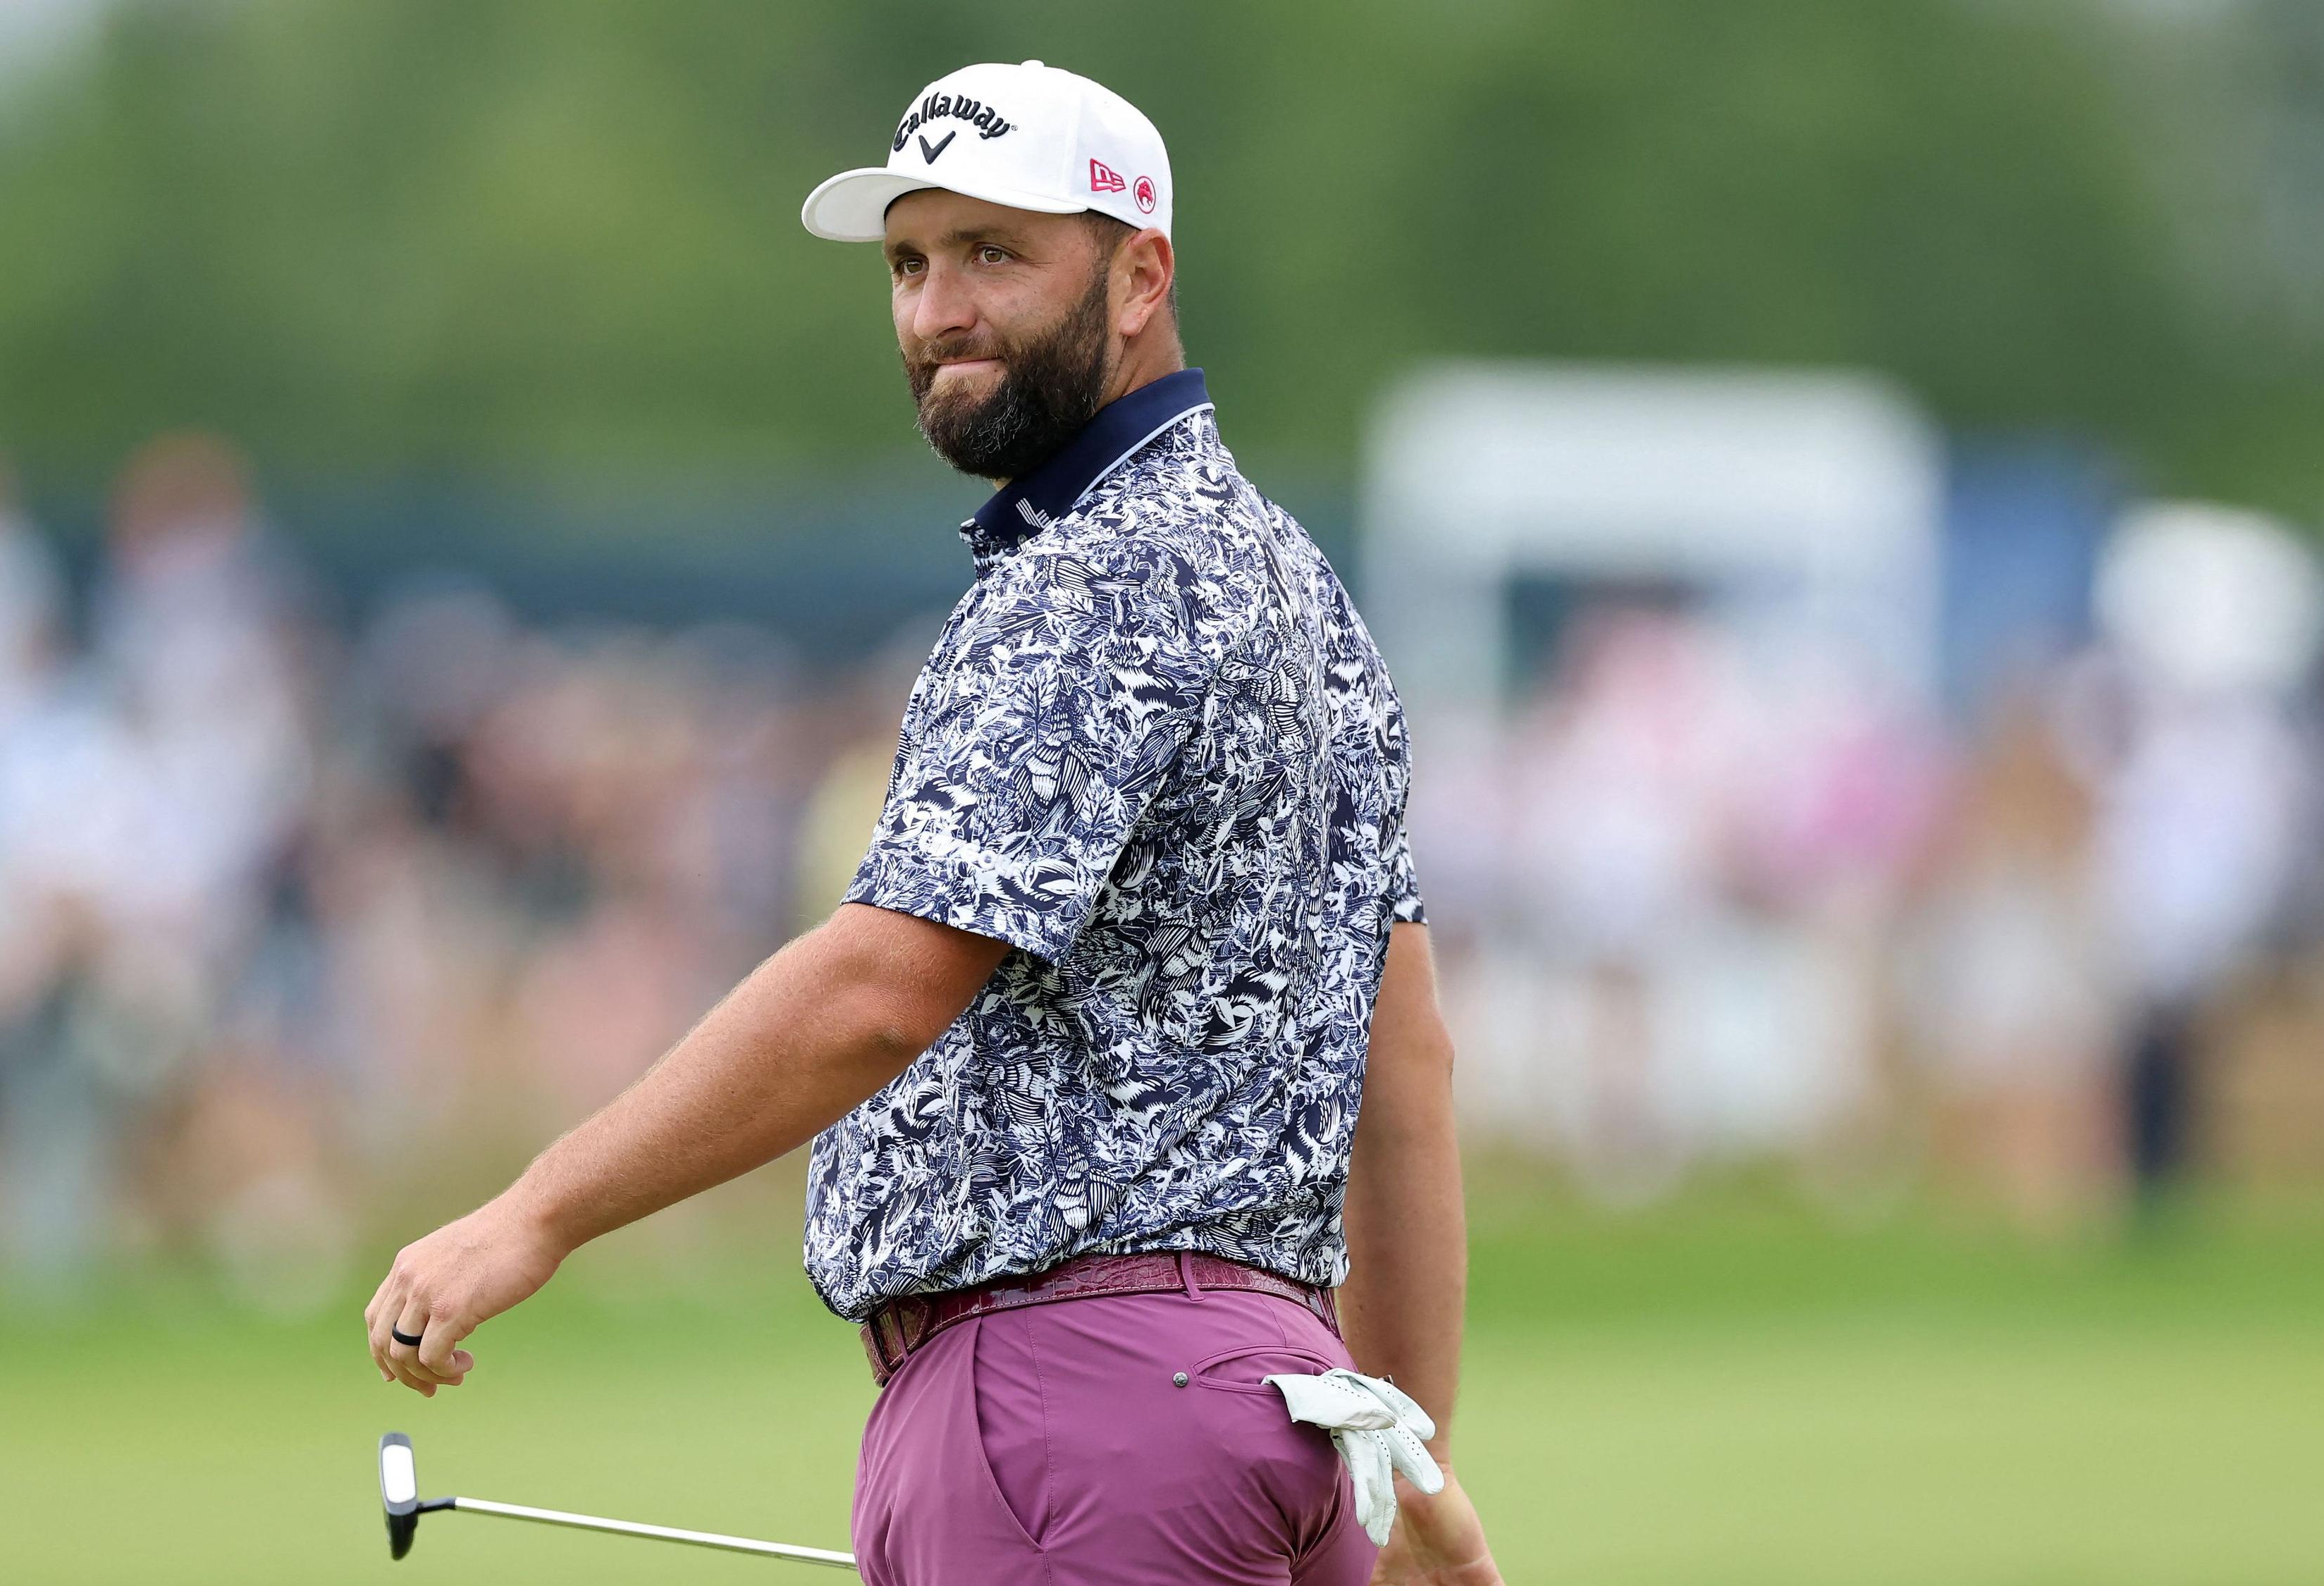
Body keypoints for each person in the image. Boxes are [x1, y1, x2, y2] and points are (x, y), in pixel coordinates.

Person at [362, 61, 1499, 1585]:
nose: (936, 309)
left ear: (1139, 274)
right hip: (1276, 1425)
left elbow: (883, 986)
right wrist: (1406, 1455)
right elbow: (1401, 1062)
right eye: (910, 262)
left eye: (995, 255)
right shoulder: (1294, 587)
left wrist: (536, 1214)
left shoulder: (1092, 573)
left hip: (1068, 1415)